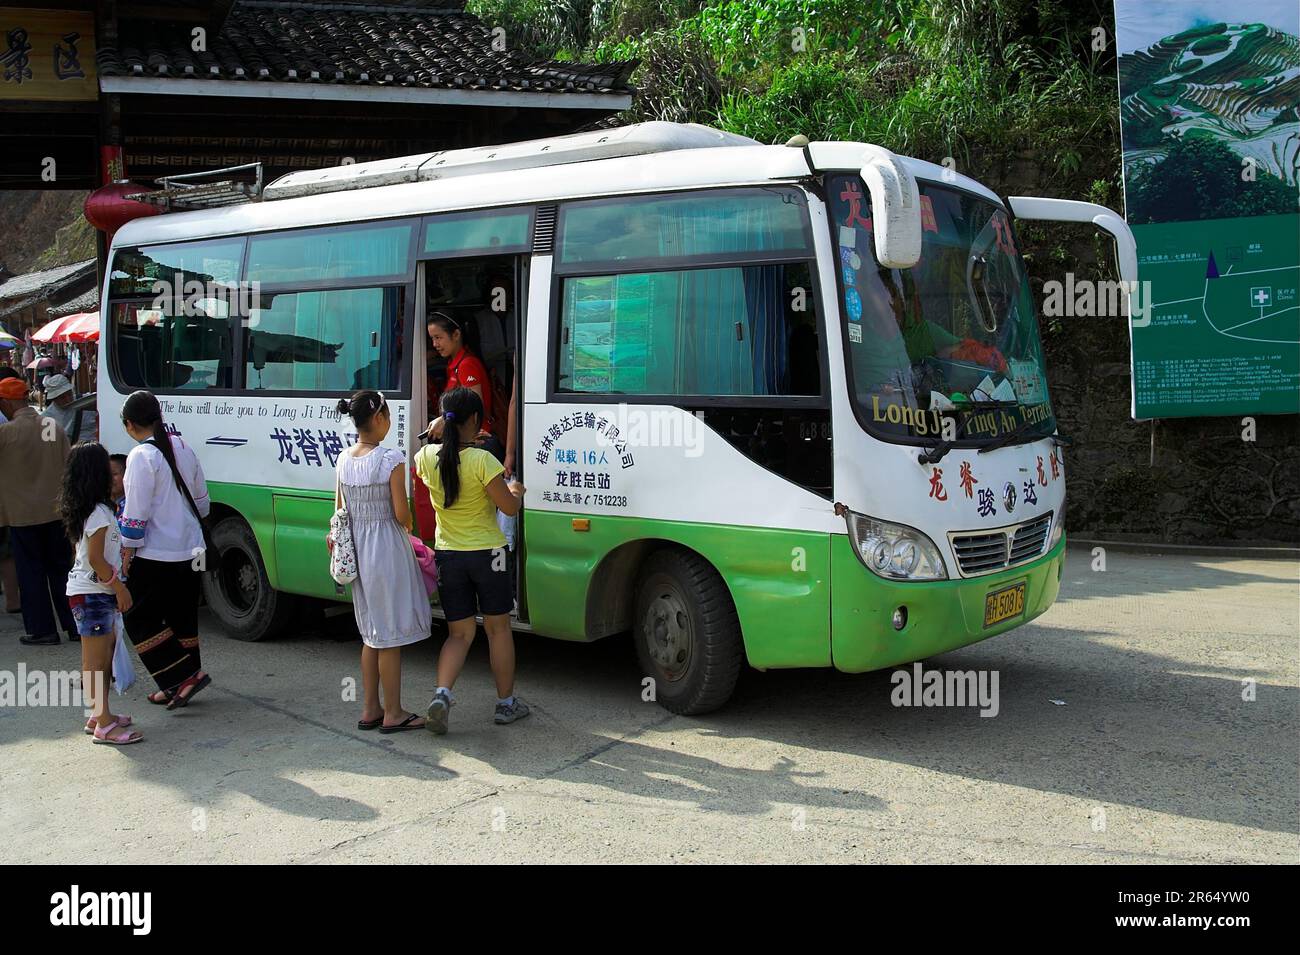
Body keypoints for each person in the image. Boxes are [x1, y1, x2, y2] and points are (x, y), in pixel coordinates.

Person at [414, 387, 526, 734]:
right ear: (476, 421)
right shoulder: (482, 461)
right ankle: (506, 704)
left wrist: (437, 428)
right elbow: (507, 508)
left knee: (458, 634)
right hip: (489, 554)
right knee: (497, 629)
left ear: (441, 421)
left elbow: (431, 445)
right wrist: (516, 493)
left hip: (449, 554)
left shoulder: (426, 458)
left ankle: (442, 694)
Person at [329, 390, 431, 732]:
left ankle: (371, 707)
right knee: (389, 635)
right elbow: (403, 514)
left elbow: (339, 511)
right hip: (385, 548)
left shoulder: (343, 459)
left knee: (371, 633)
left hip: (357, 549)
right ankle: (394, 712)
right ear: (378, 418)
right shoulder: (390, 458)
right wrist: (410, 527)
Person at [118, 390, 213, 709]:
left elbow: (136, 512)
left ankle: (183, 676)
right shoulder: (183, 446)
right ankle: (179, 682)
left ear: (129, 424)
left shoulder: (141, 456)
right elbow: (202, 501)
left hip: (157, 553)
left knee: (137, 617)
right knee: (181, 615)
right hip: (192, 549)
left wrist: (127, 550)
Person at [60, 443, 141, 744]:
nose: (112, 474)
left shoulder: (92, 510)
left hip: (95, 592)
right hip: (93, 594)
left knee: (104, 656)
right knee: (95, 661)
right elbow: (95, 559)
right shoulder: (98, 514)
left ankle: (99, 714)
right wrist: (119, 588)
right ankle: (104, 724)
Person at [0, 374, 77, 645]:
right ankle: (75, 624)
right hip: (56, 511)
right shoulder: (51, 425)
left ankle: (43, 630)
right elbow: (70, 466)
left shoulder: (6, 433)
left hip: (22, 516)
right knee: (62, 570)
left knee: (31, 573)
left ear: (7, 403)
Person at [41, 373, 96, 442]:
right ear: (54, 399)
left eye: (69, 394)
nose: (68, 400)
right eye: (62, 397)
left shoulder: (86, 401)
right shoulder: (47, 418)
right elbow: (50, 446)